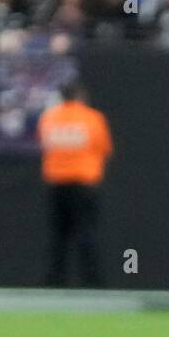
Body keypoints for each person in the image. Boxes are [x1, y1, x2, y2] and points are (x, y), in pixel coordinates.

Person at [37, 78, 113, 287]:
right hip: (83, 183)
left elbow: (45, 146)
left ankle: (54, 281)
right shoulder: (92, 118)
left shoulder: (49, 118)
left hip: (56, 184)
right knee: (86, 234)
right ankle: (92, 283)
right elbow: (104, 148)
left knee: (58, 237)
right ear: (79, 95)